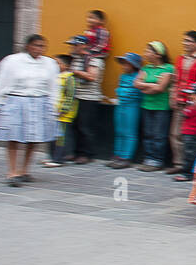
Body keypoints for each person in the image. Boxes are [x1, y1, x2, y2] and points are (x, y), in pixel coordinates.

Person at [0, 34, 59, 186]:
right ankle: (12, 172)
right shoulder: (11, 61)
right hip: (16, 101)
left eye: (42, 46)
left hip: (40, 102)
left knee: (34, 138)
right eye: (36, 45)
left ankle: (24, 170)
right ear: (28, 46)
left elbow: (54, 87)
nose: (39, 49)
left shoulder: (50, 64)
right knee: (14, 136)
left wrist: (54, 107)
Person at [167, 30, 196, 174]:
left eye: (189, 41)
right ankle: (178, 163)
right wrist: (173, 95)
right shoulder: (180, 59)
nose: (185, 43)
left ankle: (188, 165)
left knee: (189, 135)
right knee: (175, 133)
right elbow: (176, 79)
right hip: (179, 99)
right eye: (184, 40)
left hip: (193, 101)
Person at [132, 42, 175, 172]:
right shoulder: (146, 68)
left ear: (158, 54)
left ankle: (157, 160)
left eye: (148, 51)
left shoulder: (168, 69)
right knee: (148, 133)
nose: (145, 53)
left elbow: (161, 88)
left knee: (159, 135)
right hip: (147, 105)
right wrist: (152, 86)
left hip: (161, 107)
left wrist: (145, 85)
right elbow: (136, 83)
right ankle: (148, 158)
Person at [66, 34, 106, 163]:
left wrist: (76, 73)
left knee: (85, 127)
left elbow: (92, 76)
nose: (73, 48)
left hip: (88, 97)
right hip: (75, 96)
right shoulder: (76, 59)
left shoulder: (94, 59)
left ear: (84, 45)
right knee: (75, 126)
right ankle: (76, 152)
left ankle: (86, 154)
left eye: (75, 45)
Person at [107, 52, 143, 169]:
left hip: (132, 106)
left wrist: (122, 93)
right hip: (120, 106)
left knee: (129, 132)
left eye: (126, 64)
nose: (123, 66)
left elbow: (137, 92)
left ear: (134, 65)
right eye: (123, 64)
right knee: (119, 131)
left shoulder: (138, 76)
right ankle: (117, 155)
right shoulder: (122, 76)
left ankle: (126, 157)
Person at [43, 53, 77, 167]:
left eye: (58, 63)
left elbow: (70, 95)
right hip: (52, 112)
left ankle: (59, 159)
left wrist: (64, 109)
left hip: (63, 114)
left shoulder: (69, 78)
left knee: (60, 138)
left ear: (66, 66)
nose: (55, 65)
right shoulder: (55, 77)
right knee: (51, 137)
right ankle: (51, 157)